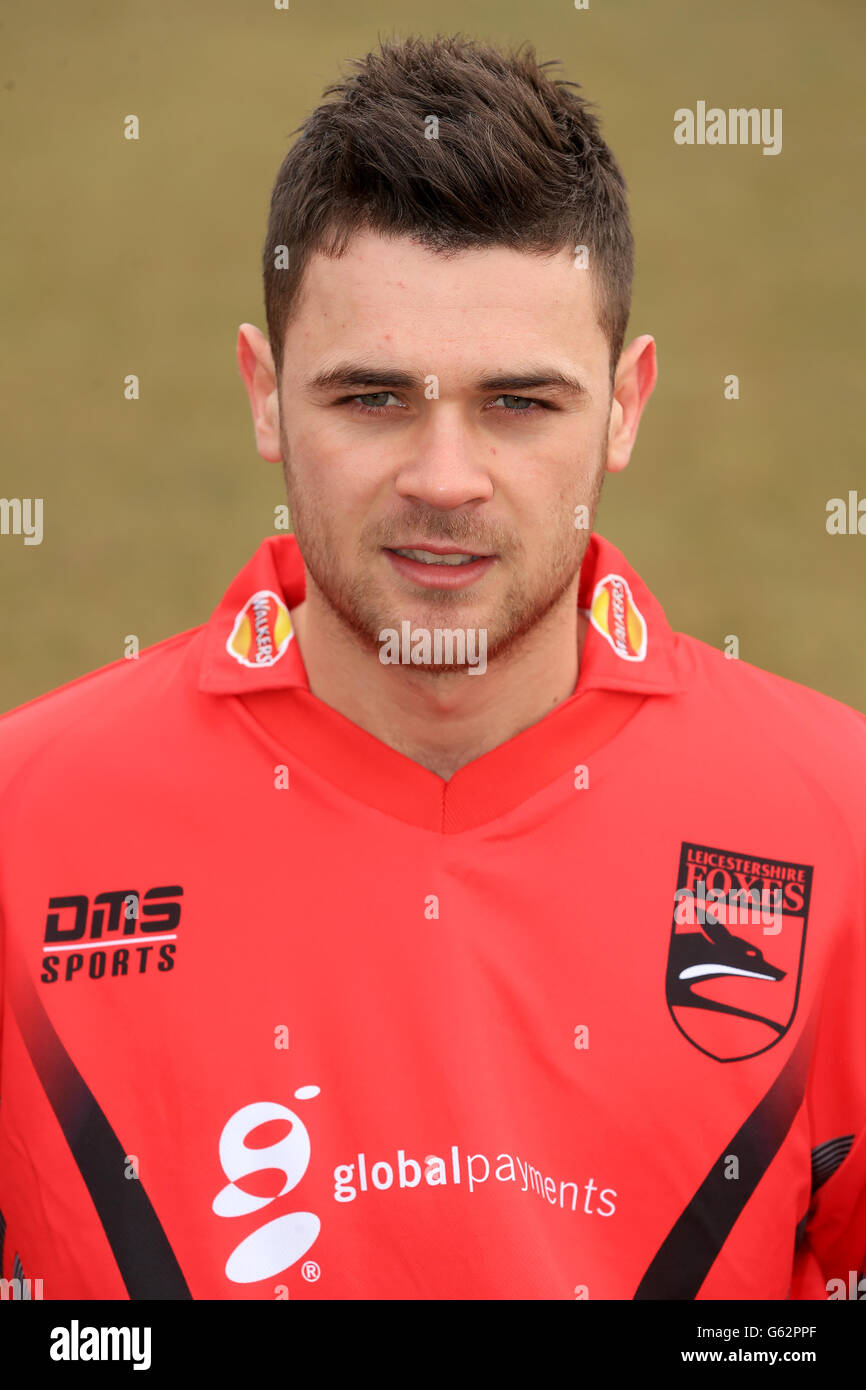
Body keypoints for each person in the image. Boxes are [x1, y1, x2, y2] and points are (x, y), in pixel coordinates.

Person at [0, 33, 863, 1302]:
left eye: (519, 403)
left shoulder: (836, 821)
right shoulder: (27, 824)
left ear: (626, 405)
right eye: (370, 399)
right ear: (262, 392)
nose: (444, 479)